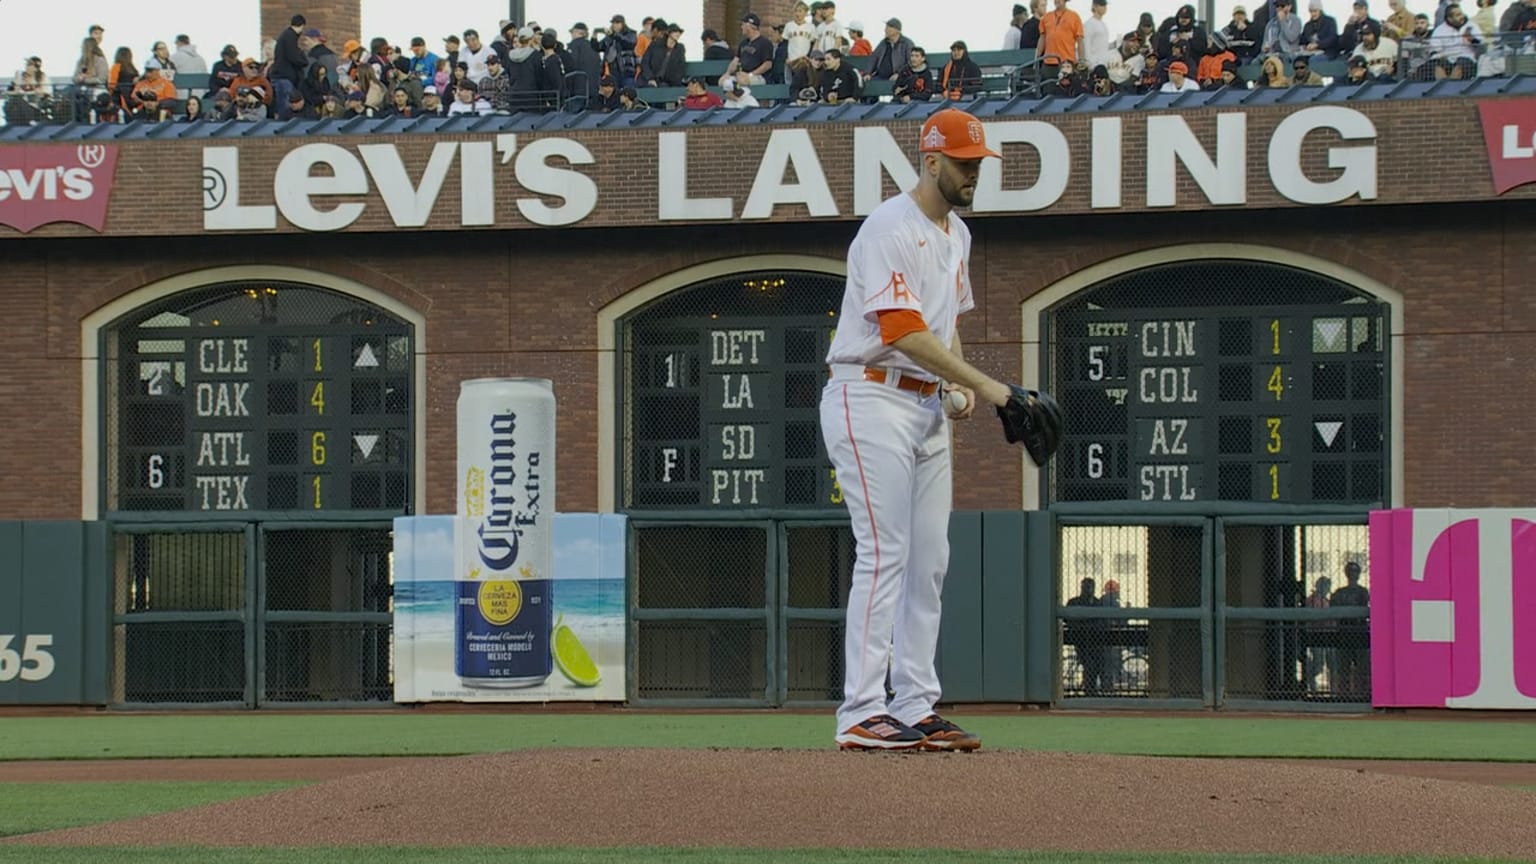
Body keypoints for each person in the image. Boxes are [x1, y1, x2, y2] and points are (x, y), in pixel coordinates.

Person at [822, 109, 1030, 752]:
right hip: (868, 394)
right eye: (964, 163)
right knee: (884, 553)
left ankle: (914, 704)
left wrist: (959, 387)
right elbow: (901, 333)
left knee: (929, 561)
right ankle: (861, 710)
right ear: (931, 160)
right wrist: (995, 389)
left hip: (924, 407)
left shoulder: (956, 234)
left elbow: (943, 329)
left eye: (979, 163)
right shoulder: (888, 226)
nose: (974, 173)